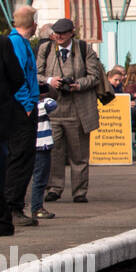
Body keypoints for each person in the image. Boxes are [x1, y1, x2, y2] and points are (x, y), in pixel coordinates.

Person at [36, 18, 105, 203]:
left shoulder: (84, 49)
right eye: (56, 33)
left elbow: (94, 76)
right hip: (53, 109)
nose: (58, 36)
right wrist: (50, 80)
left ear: (71, 33)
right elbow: (35, 74)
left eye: (62, 33)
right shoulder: (46, 49)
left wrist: (77, 84)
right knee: (54, 152)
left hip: (78, 110)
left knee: (79, 154)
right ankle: (54, 188)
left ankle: (79, 192)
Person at [3, 6, 41, 227]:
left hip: (26, 104)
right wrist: (27, 104)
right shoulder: (17, 43)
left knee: (25, 157)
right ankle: (13, 205)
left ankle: (14, 204)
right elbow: (17, 76)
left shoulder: (21, 42)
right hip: (21, 108)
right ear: (33, 23)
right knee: (21, 157)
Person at [0, 30, 26, 237]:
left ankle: (2, 219)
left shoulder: (1, 43)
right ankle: (1, 217)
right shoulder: (1, 43)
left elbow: (17, 78)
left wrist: (0, 97)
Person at [29, 96, 58, 220]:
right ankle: (36, 208)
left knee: (37, 179)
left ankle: (34, 207)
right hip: (42, 146)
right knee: (40, 179)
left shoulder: (27, 105)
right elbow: (52, 103)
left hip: (36, 145)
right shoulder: (42, 105)